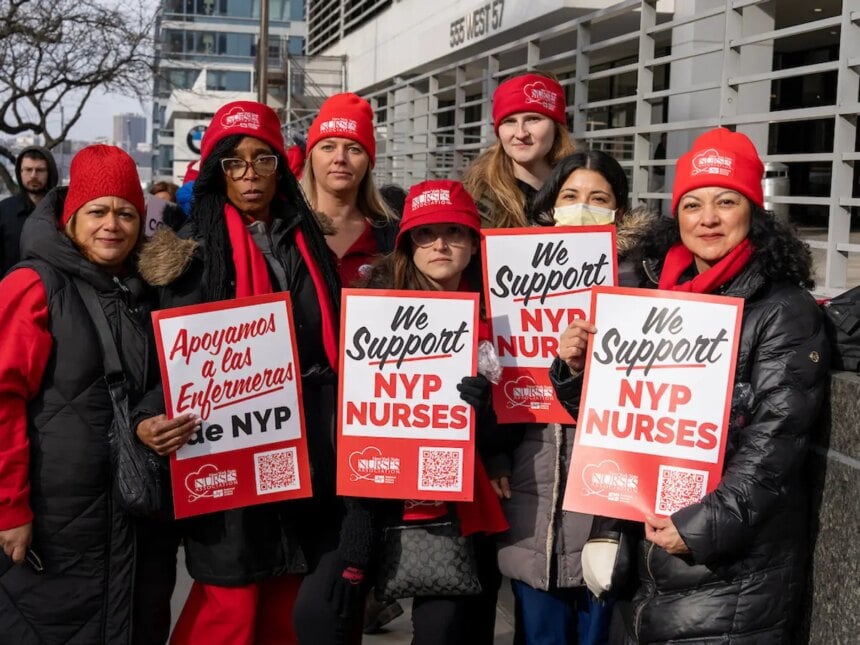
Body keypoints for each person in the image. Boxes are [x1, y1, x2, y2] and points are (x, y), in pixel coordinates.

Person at [553, 127, 830, 643]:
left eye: (726, 201)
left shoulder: (783, 310)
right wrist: (576, 370)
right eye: (692, 204)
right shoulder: (647, 290)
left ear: (753, 211)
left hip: (727, 577)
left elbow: (776, 443)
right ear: (675, 214)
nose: (707, 219)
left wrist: (700, 527)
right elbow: (610, 417)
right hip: (646, 562)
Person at [136, 100, 366, 645]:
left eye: (262, 160)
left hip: (311, 452)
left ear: (281, 167)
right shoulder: (190, 254)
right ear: (216, 170)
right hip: (227, 461)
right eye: (233, 162)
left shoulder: (308, 240)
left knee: (287, 606)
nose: (249, 175)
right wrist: (150, 417)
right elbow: (163, 362)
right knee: (230, 609)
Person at [0, 144, 185, 643]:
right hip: (54, 524)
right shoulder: (33, 285)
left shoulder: (144, 292)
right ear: (71, 218)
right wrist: (9, 509)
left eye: (126, 212)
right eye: (97, 211)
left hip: (133, 521)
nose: (112, 225)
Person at [496, 150, 641, 645]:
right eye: (570, 197)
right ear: (548, 209)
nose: (583, 208)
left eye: (599, 199)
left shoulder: (641, 285)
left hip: (605, 500)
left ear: (619, 212)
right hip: (531, 493)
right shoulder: (509, 281)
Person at [360, 179, 509, 645]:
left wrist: (487, 420)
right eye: (426, 234)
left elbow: (520, 410)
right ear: (408, 245)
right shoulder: (373, 311)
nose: (440, 244)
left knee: (471, 623)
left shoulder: (502, 310)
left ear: (472, 243)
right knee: (438, 630)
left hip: (478, 494)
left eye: (454, 232)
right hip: (395, 497)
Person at [300, 92, 398, 287]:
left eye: (354, 149)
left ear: (368, 163)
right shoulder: (284, 228)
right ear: (311, 157)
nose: (340, 158)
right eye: (328, 147)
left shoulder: (392, 235)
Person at [463, 71, 575, 228]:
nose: (521, 133)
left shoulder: (585, 189)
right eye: (509, 121)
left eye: (533, 119)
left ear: (556, 127)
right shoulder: (473, 201)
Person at [0, 146, 59, 274]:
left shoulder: (61, 211)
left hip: (53, 289)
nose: (33, 175)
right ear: (20, 172)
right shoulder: (4, 211)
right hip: (10, 288)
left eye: (40, 170)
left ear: (49, 173)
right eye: (28, 169)